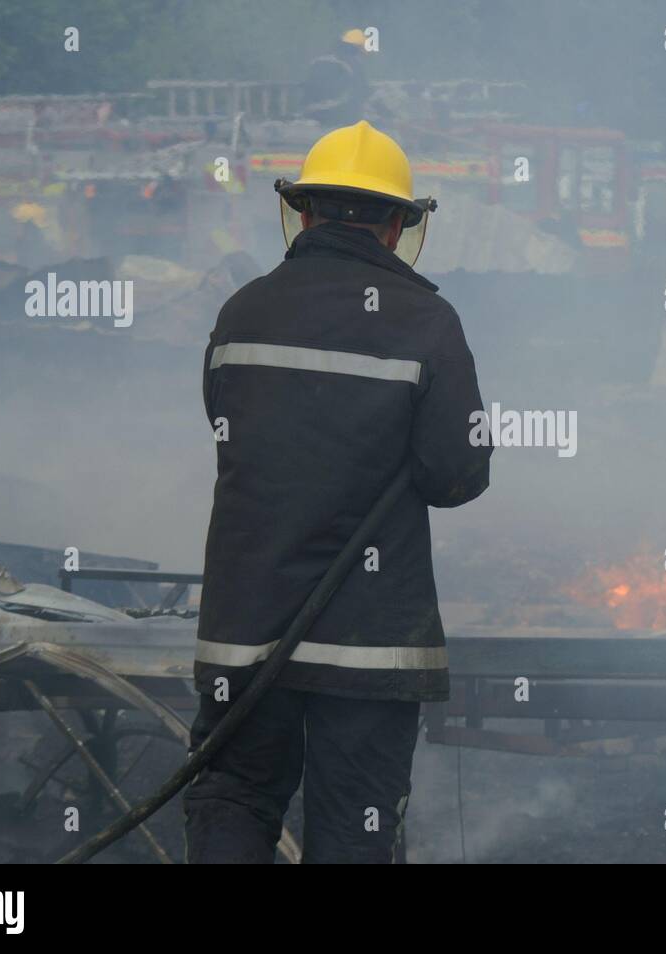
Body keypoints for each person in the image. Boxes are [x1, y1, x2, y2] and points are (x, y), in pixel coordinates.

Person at [184, 120, 492, 863]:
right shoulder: (428, 322)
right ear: (395, 224)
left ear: (306, 211)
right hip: (371, 646)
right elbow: (459, 474)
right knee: (354, 825)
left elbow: (229, 427)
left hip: (244, 629)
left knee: (232, 798)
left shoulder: (242, 312)